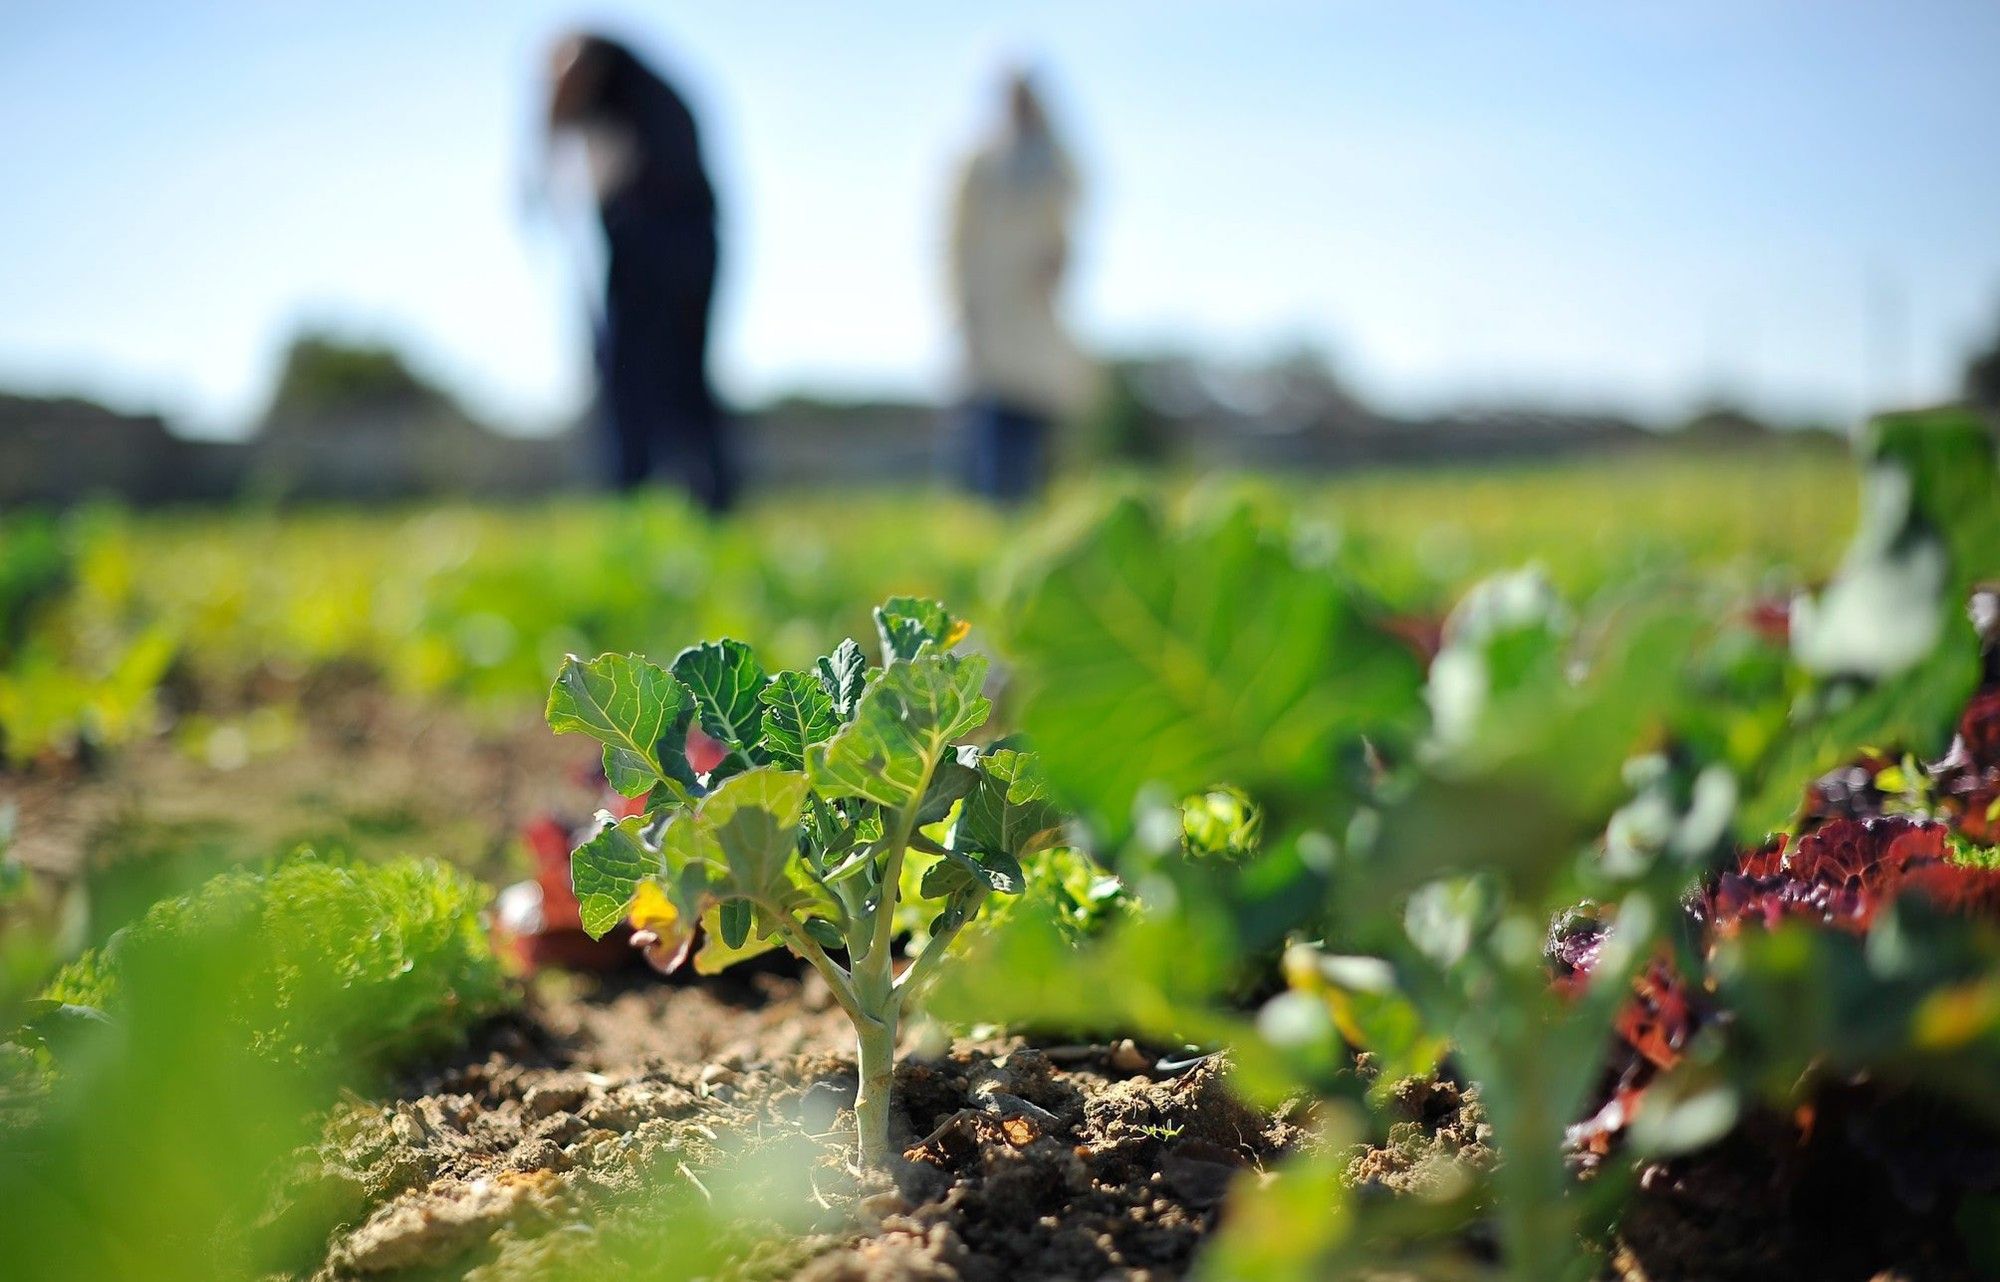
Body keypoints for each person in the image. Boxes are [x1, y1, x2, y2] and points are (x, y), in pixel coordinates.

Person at [544, 33, 736, 512]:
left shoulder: (599, 59)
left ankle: (643, 500)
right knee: (672, 380)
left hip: (656, 242)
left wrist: (543, 141)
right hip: (690, 239)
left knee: (638, 377)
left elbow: (568, 76)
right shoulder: (645, 96)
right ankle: (689, 503)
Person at [947, 70, 1094, 503]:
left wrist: (1056, 265)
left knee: (1035, 414)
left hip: (1035, 307)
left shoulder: (1052, 160)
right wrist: (964, 303)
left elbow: (1073, 205)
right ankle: (997, 502)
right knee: (994, 412)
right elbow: (957, 238)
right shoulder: (981, 163)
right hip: (991, 305)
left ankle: (1028, 499)